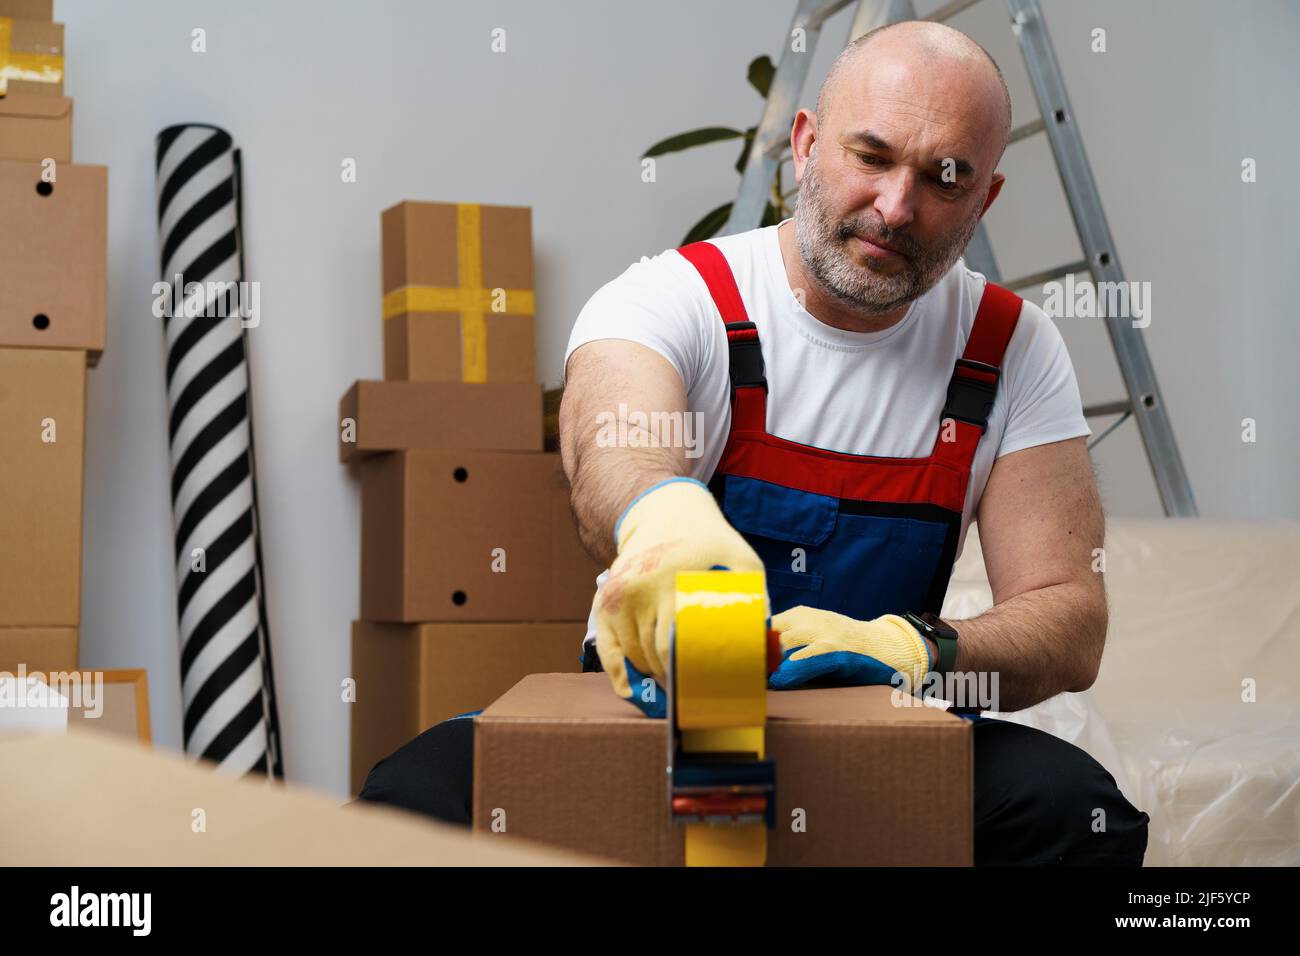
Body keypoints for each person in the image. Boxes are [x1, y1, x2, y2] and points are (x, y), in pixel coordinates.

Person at [359, 20, 1150, 865]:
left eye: (944, 177)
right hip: (652, 729)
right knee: (411, 801)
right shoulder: (677, 298)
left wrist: (909, 649)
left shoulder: (1009, 346)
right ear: (806, 145)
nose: (896, 207)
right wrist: (665, 521)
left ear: (984, 198)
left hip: (875, 738)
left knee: (1074, 811)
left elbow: (1069, 618)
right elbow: (613, 451)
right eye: (871, 156)